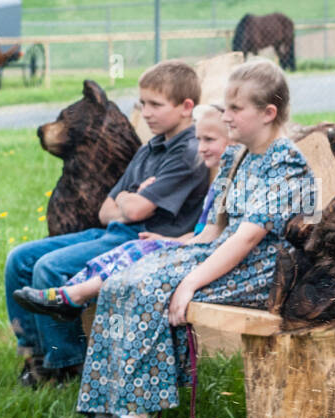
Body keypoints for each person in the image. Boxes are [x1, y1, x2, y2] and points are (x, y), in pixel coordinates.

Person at [72, 59, 316, 418]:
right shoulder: (237, 157)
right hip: (224, 255)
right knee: (127, 278)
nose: (226, 116)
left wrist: (187, 282)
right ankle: (105, 404)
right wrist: (167, 250)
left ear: (268, 113)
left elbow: (246, 240)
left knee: (152, 287)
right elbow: (214, 232)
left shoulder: (285, 163)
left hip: (266, 269)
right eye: (225, 107)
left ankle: (135, 417)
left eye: (236, 109)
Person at [5, 60, 209, 388]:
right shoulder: (150, 149)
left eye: (156, 105)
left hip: (142, 242)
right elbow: (105, 211)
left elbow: (138, 210)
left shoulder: (187, 152)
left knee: (49, 268)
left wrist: (131, 202)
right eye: (143, 103)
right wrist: (133, 201)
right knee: (20, 259)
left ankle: (68, 365)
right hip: (111, 232)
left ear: (187, 107)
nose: (146, 112)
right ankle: (38, 356)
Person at [19, 104, 235, 319]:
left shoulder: (217, 175)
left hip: (200, 254)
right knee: (134, 249)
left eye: (209, 140)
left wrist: (128, 201)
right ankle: (69, 298)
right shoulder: (212, 177)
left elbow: (212, 236)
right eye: (199, 140)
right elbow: (105, 213)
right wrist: (172, 238)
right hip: (176, 241)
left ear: (233, 140)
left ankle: (73, 297)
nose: (200, 147)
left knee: (136, 250)